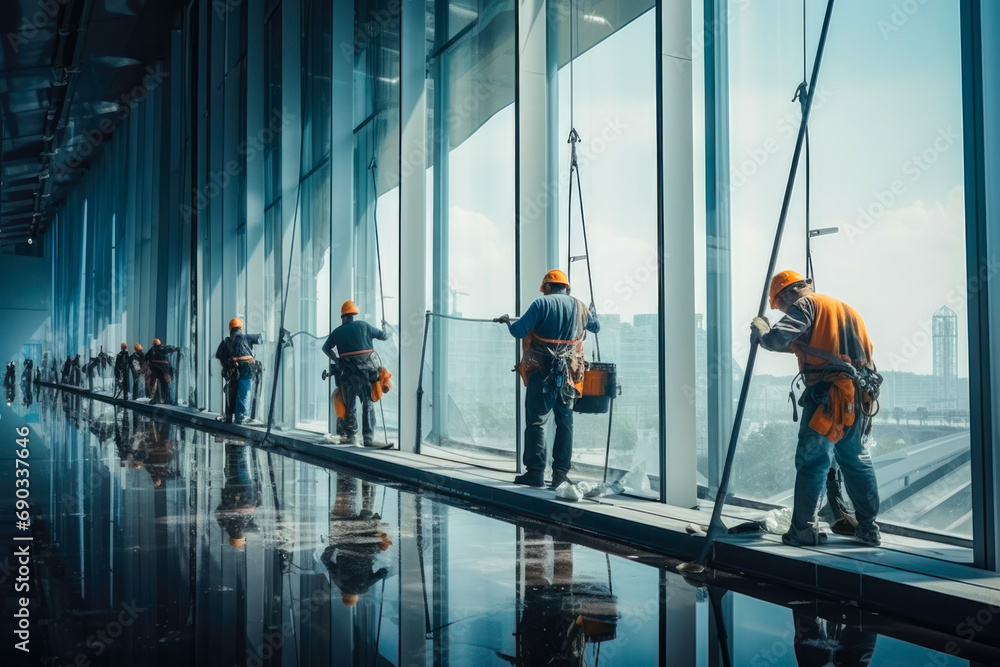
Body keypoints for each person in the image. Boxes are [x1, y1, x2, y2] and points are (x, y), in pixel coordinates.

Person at [751, 270, 881, 547]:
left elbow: (778, 339)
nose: (784, 311)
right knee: (856, 461)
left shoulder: (806, 305)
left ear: (787, 294)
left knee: (813, 463)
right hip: (857, 398)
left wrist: (762, 332)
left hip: (826, 396)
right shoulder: (846, 309)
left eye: (781, 306)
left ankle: (803, 530)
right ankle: (869, 529)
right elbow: (808, 345)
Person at [497, 269, 600, 488]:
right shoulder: (580, 306)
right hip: (570, 376)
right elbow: (595, 327)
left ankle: (535, 474)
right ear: (567, 287)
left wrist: (507, 321)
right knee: (565, 423)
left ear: (547, 287)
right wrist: (594, 313)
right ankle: (560, 476)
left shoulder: (540, 305)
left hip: (542, 373)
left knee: (537, 422)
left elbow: (518, 331)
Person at [322, 301, 390, 446]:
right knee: (367, 403)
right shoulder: (364, 326)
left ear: (342, 316)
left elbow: (325, 348)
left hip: (347, 374)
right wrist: (386, 328)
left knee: (350, 403)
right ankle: (368, 438)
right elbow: (384, 336)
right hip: (365, 373)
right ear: (354, 314)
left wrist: (337, 360)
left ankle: (351, 434)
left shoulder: (337, 332)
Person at [214, 317, 263, 424]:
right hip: (244, 371)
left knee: (233, 394)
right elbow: (249, 356)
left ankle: (232, 417)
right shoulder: (243, 338)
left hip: (232, 373)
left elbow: (219, 356)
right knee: (244, 393)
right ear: (240, 327)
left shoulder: (226, 341)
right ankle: (242, 417)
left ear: (230, 328)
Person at [146, 338, 180, 405]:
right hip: (164, 369)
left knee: (155, 384)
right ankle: (167, 399)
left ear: (153, 344)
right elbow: (171, 349)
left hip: (155, 369)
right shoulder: (163, 348)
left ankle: (156, 399)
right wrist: (176, 348)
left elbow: (146, 358)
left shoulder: (151, 350)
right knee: (165, 384)